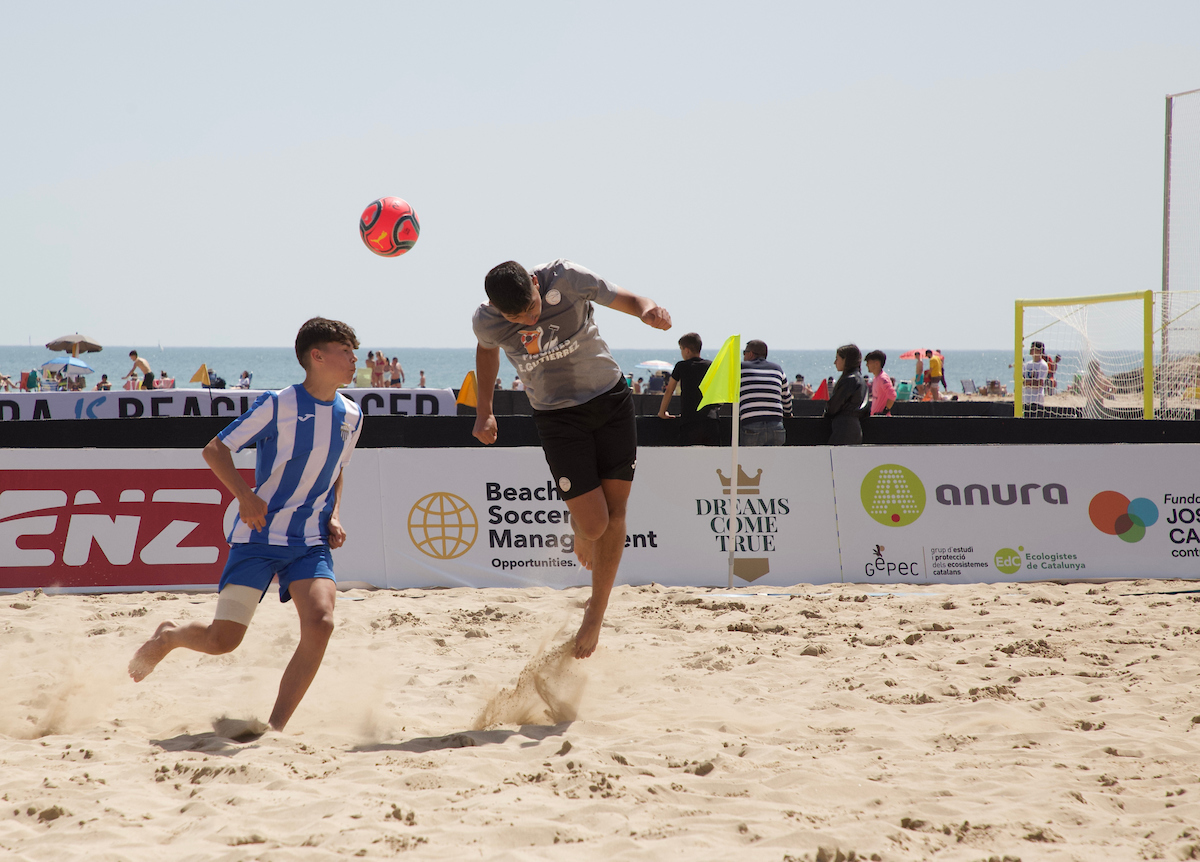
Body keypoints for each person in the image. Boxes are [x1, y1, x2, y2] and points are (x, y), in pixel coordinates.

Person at [128, 317, 363, 733]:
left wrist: (336, 513)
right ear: (317, 356)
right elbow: (215, 450)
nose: (354, 359)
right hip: (257, 536)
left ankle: (275, 727)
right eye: (345, 351)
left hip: (309, 539)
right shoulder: (279, 403)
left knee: (322, 621)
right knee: (223, 641)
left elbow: (337, 470)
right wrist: (245, 496)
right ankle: (169, 636)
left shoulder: (351, 413)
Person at [471, 258, 671, 659]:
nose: (529, 320)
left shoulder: (566, 277)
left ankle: (595, 614)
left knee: (615, 514)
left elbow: (629, 298)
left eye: (532, 307)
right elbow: (487, 352)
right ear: (496, 309)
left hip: (610, 399)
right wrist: (484, 410)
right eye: (517, 317)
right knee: (594, 525)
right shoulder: (486, 321)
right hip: (556, 414)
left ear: (533, 282)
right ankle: (579, 522)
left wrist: (648, 309)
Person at [658, 332, 720, 445]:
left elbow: (669, 390)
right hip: (711, 420)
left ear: (687, 350)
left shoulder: (681, 366)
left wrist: (662, 412)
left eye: (681, 349)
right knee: (712, 459)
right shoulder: (711, 365)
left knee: (688, 459)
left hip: (690, 421)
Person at [739, 339, 791, 446]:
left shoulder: (741, 368)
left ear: (751, 354)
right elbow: (787, 399)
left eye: (744, 353)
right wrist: (788, 413)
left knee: (749, 461)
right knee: (773, 462)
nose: (743, 356)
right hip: (776, 426)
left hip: (751, 425)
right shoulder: (777, 369)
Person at [825, 344, 868, 444]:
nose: (835, 362)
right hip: (855, 427)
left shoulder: (850, 380)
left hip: (844, 428)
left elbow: (833, 407)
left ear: (846, 360)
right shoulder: (861, 380)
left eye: (837, 358)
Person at [864, 350, 896, 416]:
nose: (867, 365)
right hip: (876, 417)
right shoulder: (876, 378)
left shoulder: (882, 378)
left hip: (881, 420)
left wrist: (884, 412)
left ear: (877, 363)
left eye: (868, 362)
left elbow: (892, 395)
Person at [1022, 340, 1050, 415]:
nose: (1031, 350)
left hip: (1037, 401)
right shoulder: (1027, 365)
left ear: (1039, 351)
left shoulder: (1043, 365)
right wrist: (1031, 382)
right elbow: (1022, 382)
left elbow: (1039, 384)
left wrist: (1028, 382)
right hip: (1026, 400)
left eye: (1033, 348)